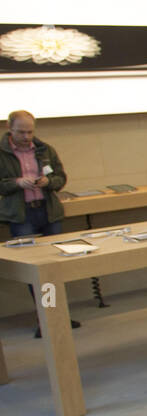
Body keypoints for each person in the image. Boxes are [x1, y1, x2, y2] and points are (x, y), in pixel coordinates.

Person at [1, 110, 80, 337]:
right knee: (36, 269)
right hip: (22, 215)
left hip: (47, 212)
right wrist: (17, 182)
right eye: (21, 132)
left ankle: (59, 315)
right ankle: (45, 318)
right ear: (9, 128)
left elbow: (61, 178)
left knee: (55, 265)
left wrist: (48, 181)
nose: (26, 136)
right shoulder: (2, 153)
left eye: (30, 131)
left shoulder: (45, 150)